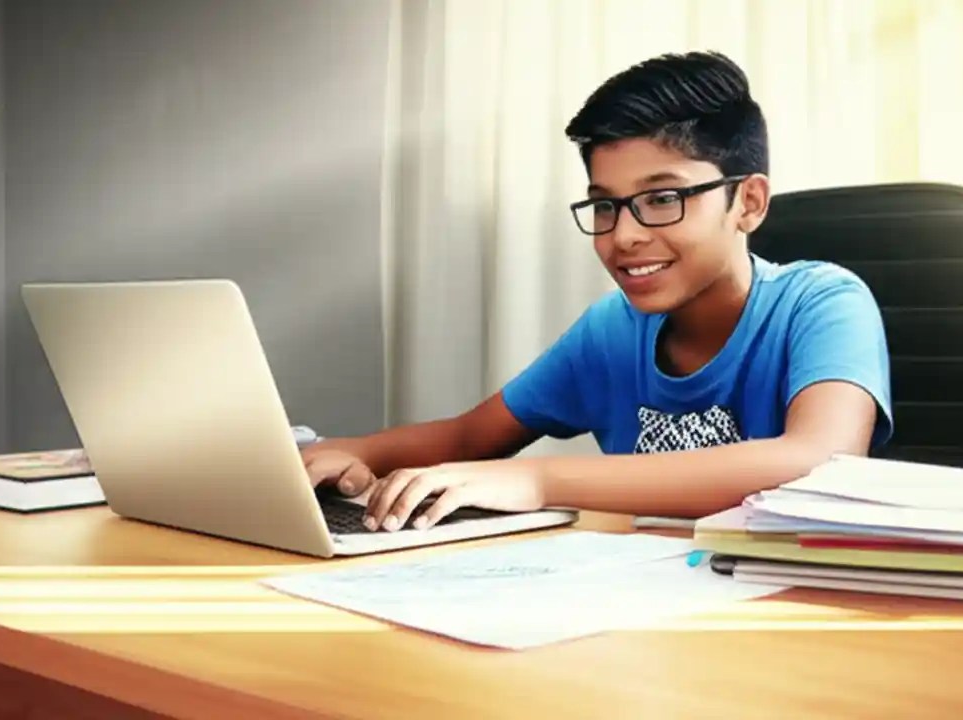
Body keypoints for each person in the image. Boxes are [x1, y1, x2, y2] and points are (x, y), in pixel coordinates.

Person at [302, 50, 892, 532]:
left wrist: (539, 480)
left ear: (750, 202)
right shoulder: (611, 331)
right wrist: (344, 453)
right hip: (639, 594)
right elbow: (469, 436)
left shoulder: (822, 302)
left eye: (663, 198)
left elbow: (819, 460)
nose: (624, 235)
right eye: (606, 205)